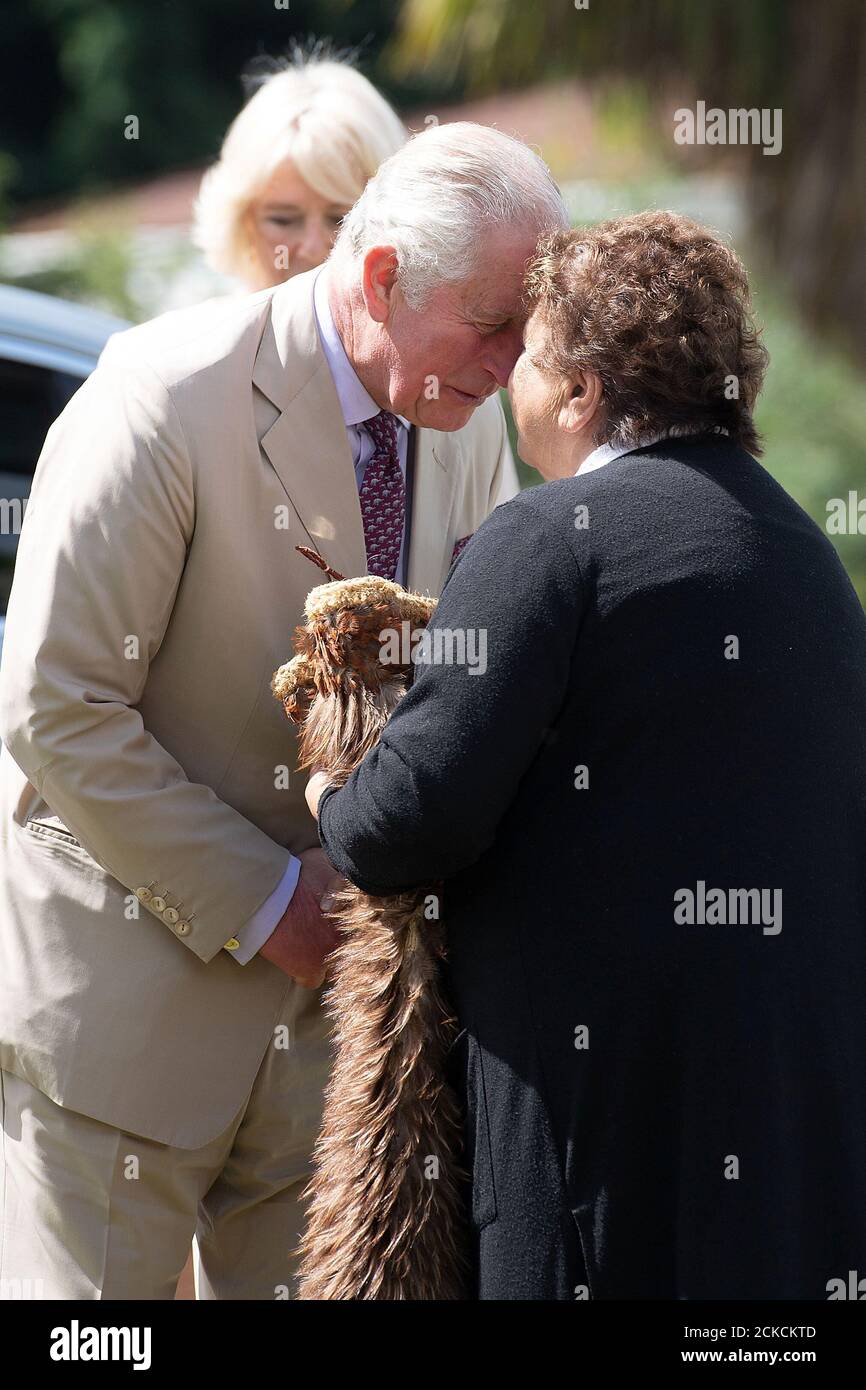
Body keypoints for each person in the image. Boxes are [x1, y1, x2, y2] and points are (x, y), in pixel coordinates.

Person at [0, 121, 567, 1300]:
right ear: (380, 278)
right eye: (492, 322)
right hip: (120, 1038)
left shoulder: (457, 423)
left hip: (335, 1054)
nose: (513, 363)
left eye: (527, 331)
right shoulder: (159, 398)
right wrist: (267, 902)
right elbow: (54, 707)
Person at [308, 211, 866, 1300]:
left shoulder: (546, 539)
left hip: (597, 1153)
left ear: (579, 393)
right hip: (796, 1154)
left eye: (525, 354)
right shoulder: (809, 561)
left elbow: (404, 821)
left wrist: (333, 781)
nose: (506, 383)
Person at [192, 46, 406, 291]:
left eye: (341, 220)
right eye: (283, 220)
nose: (313, 250)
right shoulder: (207, 328)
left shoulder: (447, 326)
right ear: (242, 224)